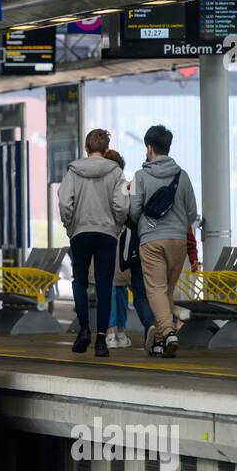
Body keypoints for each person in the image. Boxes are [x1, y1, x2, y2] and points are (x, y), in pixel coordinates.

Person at [129, 124, 199, 357]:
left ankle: (168, 332)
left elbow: (133, 210)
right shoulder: (183, 175)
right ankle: (159, 342)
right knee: (166, 291)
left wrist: (145, 225)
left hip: (151, 241)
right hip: (178, 241)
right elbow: (192, 214)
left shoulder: (140, 176)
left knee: (156, 290)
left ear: (149, 148)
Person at [58, 129, 129, 357]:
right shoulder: (116, 172)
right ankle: (101, 341)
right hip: (107, 234)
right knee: (104, 285)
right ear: (106, 149)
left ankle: (84, 328)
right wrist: (116, 226)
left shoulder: (73, 170)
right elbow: (121, 205)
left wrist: (70, 226)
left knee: (79, 281)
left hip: (80, 233)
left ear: (86, 148)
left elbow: (64, 202)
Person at [101, 149, 134, 349]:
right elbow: (127, 210)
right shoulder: (125, 184)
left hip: (104, 236)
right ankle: (120, 331)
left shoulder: (99, 185)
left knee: (110, 287)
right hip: (123, 241)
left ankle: (110, 331)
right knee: (120, 287)